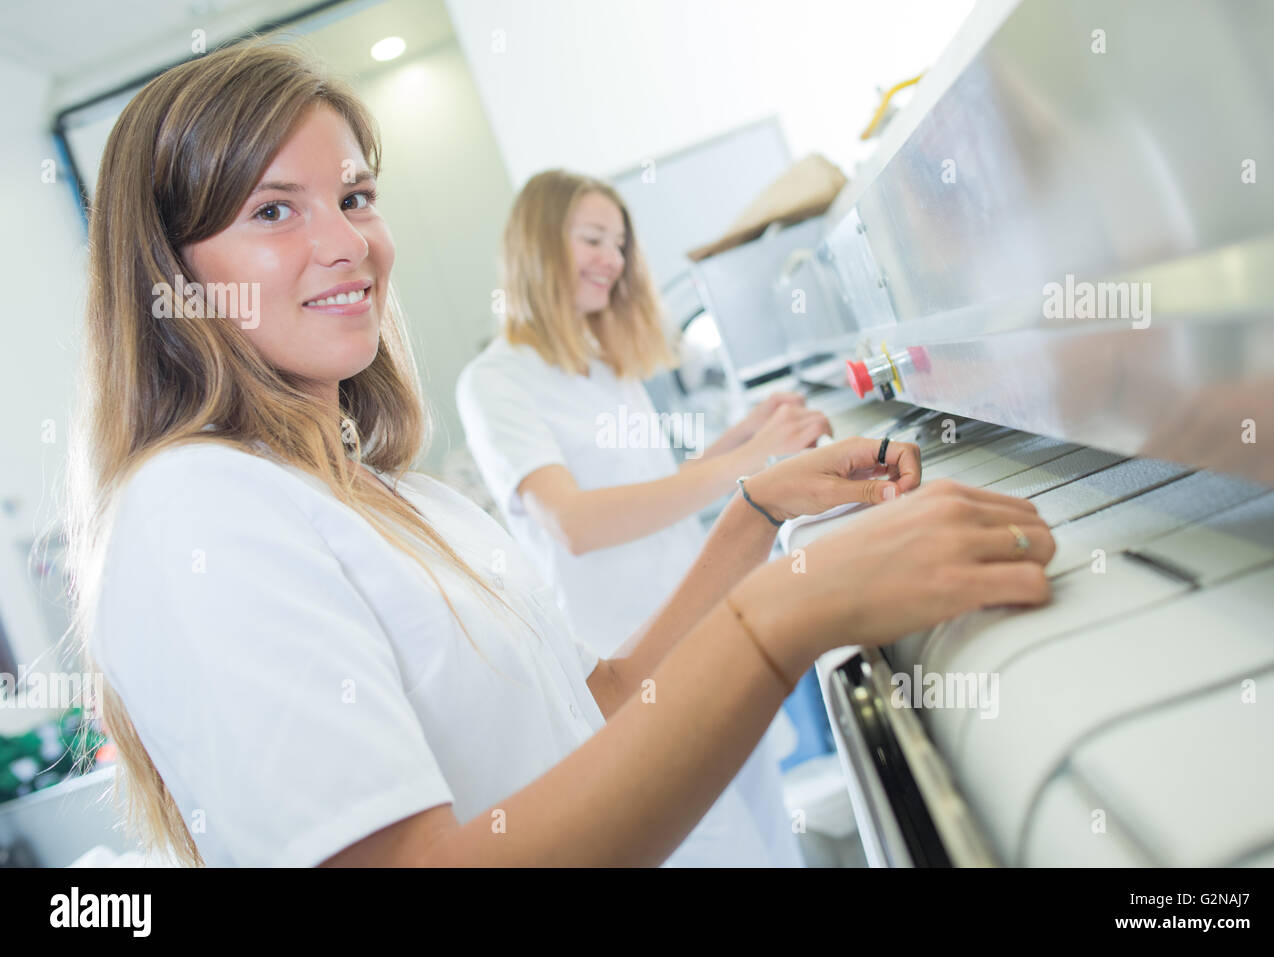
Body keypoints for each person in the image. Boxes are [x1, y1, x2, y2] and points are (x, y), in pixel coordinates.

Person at [67, 38, 1054, 867]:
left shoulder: (395, 495)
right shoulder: (191, 509)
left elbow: (602, 701)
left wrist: (755, 513)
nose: (347, 244)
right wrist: (784, 614)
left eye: (356, 197)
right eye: (273, 210)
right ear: (170, 275)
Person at [456, 170, 841, 866]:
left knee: (776, 847)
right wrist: (742, 464)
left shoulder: (608, 366)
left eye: (621, 244)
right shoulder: (495, 380)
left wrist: (747, 436)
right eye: (594, 239)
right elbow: (576, 521)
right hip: (629, 678)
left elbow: (659, 494)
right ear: (538, 245)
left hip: (704, 635)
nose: (614, 258)